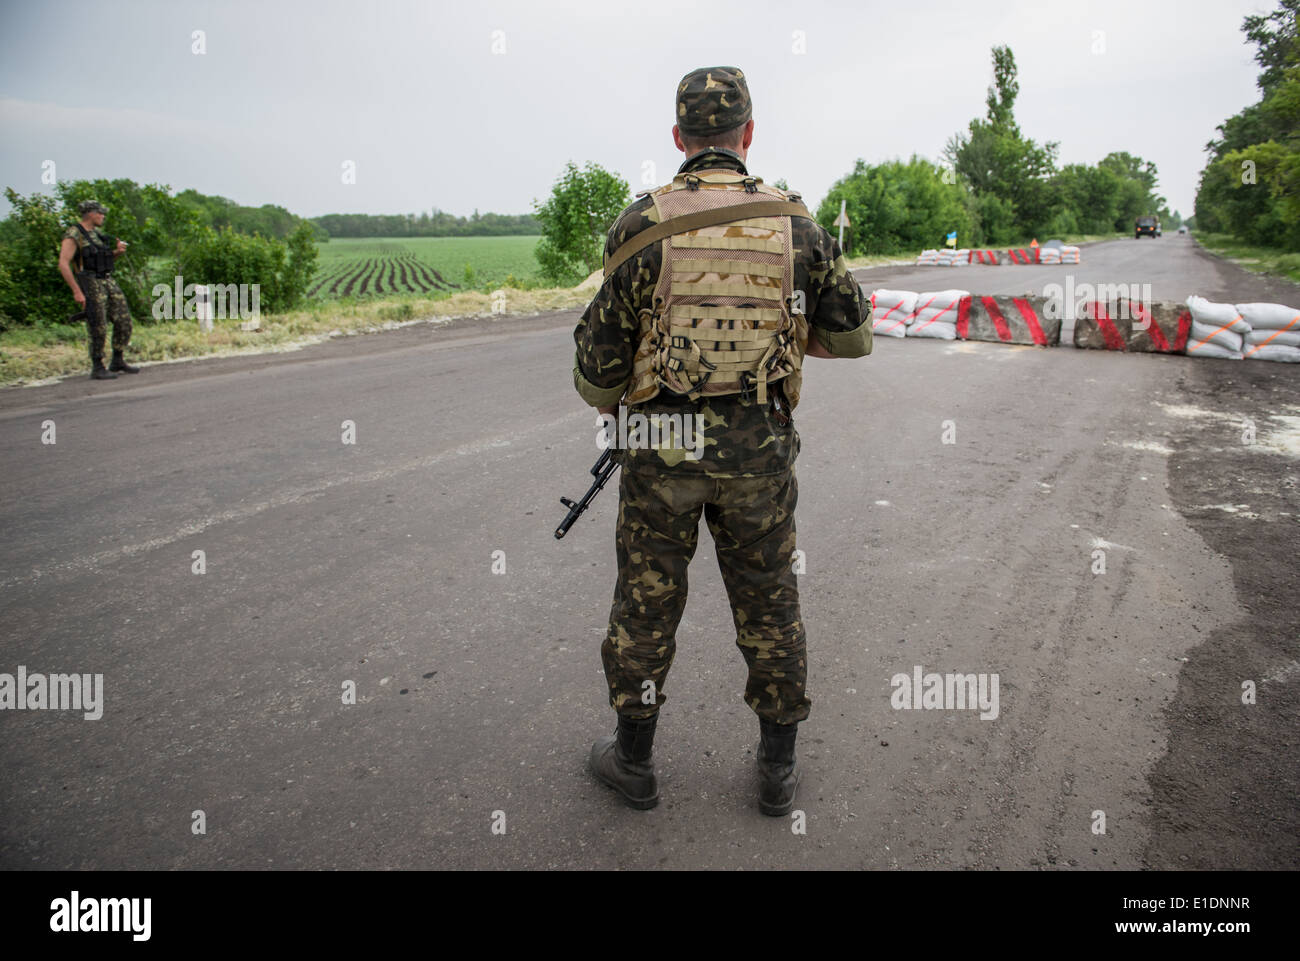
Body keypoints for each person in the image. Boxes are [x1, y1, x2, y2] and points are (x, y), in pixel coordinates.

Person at [572, 66, 872, 815]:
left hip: (658, 442)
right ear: (747, 135)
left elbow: (597, 372)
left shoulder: (640, 225)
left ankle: (633, 762)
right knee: (770, 599)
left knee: (647, 601)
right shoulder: (795, 224)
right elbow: (855, 335)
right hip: (758, 446)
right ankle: (776, 773)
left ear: (679, 138)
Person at [58, 200, 139, 379]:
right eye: (100, 213)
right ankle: (97, 366)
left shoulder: (96, 234)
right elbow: (63, 263)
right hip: (89, 282)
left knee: (123, 320)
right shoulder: (74, 234)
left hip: (107, 280)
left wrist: (116, 253)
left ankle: (118, 359)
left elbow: (101, 260)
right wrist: (76, 291)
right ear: (91, 214)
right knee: (98, 325)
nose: (103, 216)